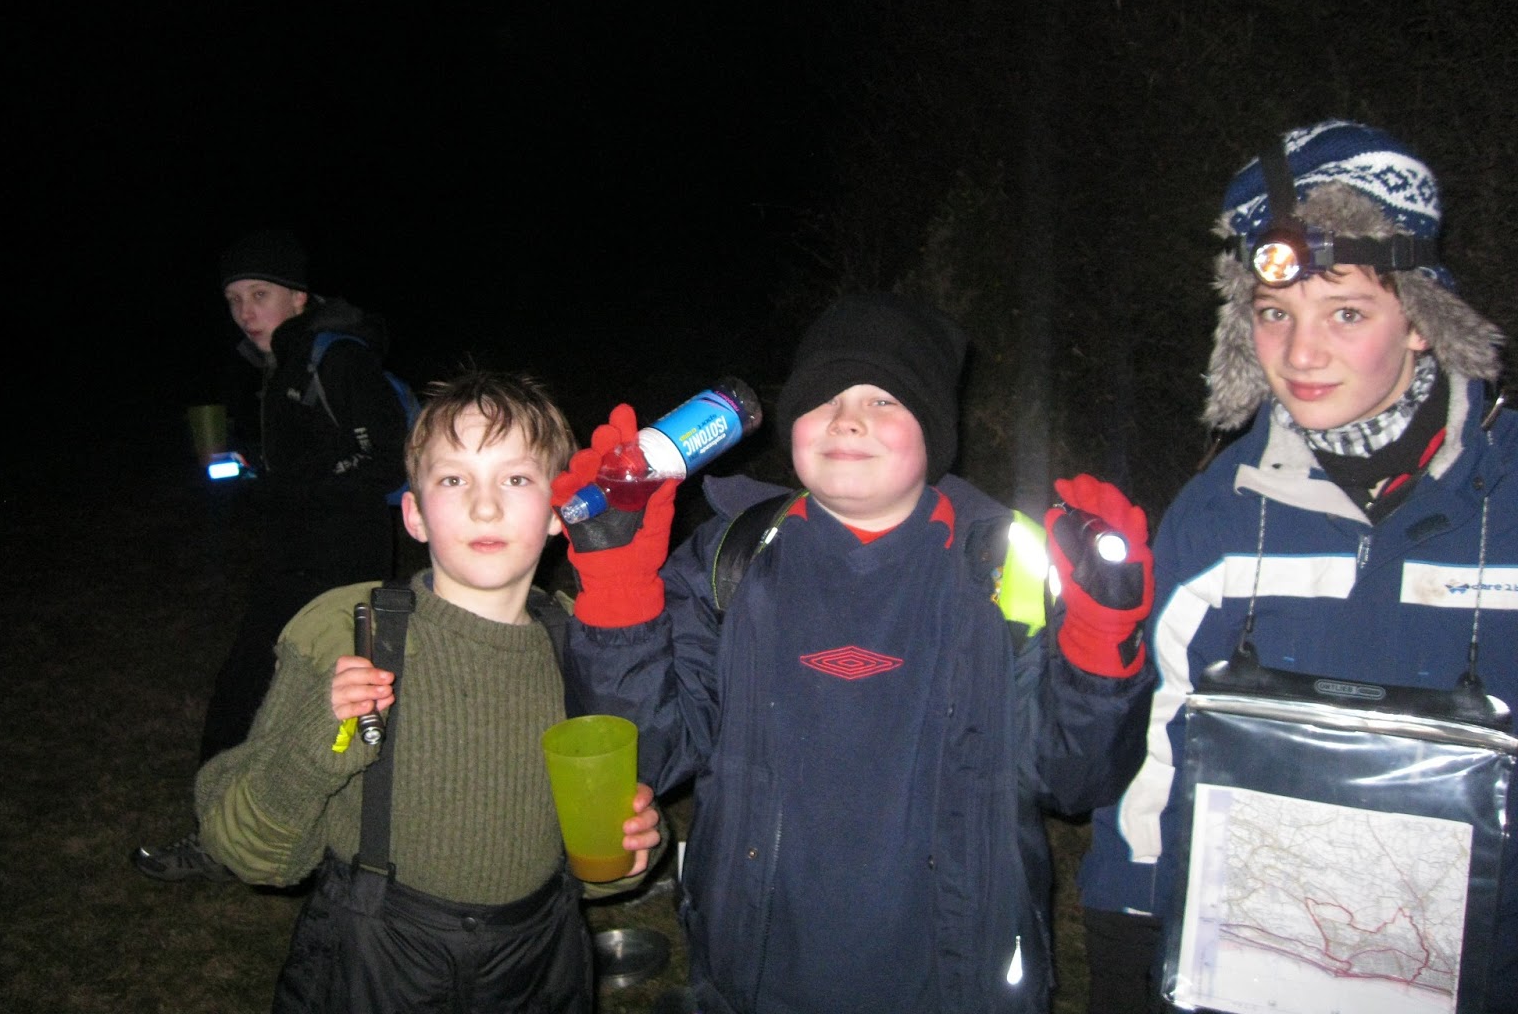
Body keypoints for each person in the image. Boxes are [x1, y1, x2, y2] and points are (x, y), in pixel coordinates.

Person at [553, 291, 1157, 1014]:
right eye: (825, 398)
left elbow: (1074, 776)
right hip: (757, 978)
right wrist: (618, 585)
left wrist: (1101, 635)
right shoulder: (731, 560)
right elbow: (650, 758)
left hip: (954, 981)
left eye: (883, 401)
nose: (848, 418)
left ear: (934, 430)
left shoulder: (1007, 567)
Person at [1074, 120, 1518, 1014]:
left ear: (1425, 324)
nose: (1301, 355)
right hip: (1237, 977)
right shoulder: (1217, 514)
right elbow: (1159, 751)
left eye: (1346, 313)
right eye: (1274, 314)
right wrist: (1126, 938)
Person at [195, 370, 663, 1013]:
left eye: (517, 478)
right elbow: (244, 850)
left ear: (561, 511)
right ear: (414, 514)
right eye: (453, 479)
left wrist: (633, 846)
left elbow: (595, 871)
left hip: (537, 967)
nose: (486, 505)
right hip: (378, 966)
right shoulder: (347, 631)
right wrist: (319, 737)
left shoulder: (582, 649)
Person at [134, 229, 411, 882]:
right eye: (233, 299)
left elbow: (383, 456)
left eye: (259, 294)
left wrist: (297, 485)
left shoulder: (335, 358)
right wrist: (251, 467)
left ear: (298, 298)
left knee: (271, 698)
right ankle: (254, 834)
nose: (245, 311)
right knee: (284, 699)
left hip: (338, 568)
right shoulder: (284, 366)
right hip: (294, 561)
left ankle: (233, 839)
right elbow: (312, 458)